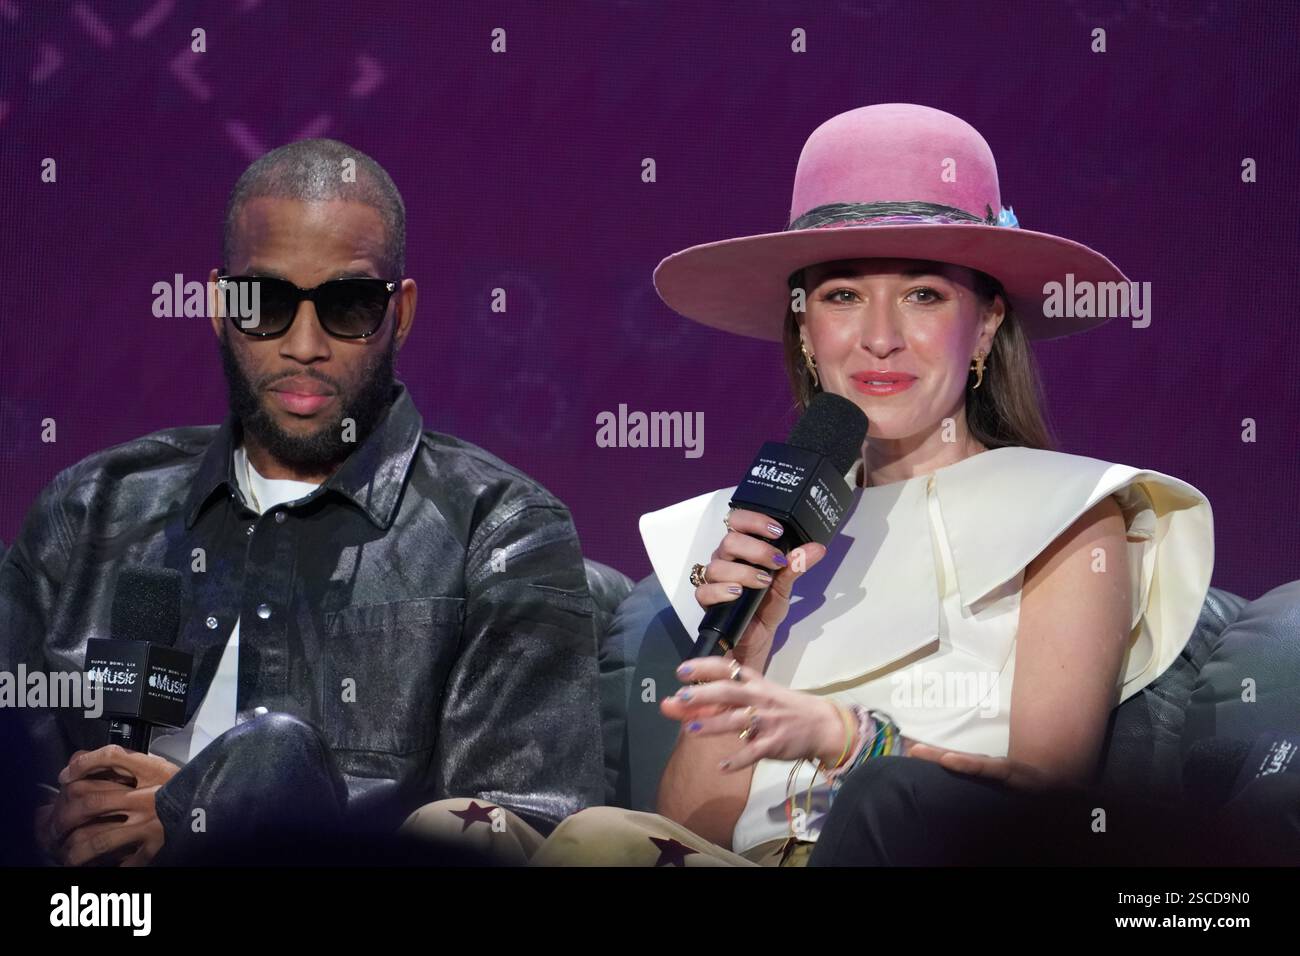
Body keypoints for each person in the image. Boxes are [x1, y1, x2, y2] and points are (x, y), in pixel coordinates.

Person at [404, 103, 1214, 866]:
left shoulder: (1070, 512)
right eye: (843, 296)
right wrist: (747, 647)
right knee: (450, 830)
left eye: (924, 295)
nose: (881, 338)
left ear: (989, 323)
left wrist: (850, 738)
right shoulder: (762, 524)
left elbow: (1045, 810)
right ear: (805, 324)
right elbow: (681, 832)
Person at [0, 138, 604, 866]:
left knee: (271, 758)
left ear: (400, 313)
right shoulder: (91, 510)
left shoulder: (499, 532)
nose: (305, 344)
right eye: (268, 304)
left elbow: (527, 835)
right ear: (221, 306)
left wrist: (208, 814)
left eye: (348, 304)